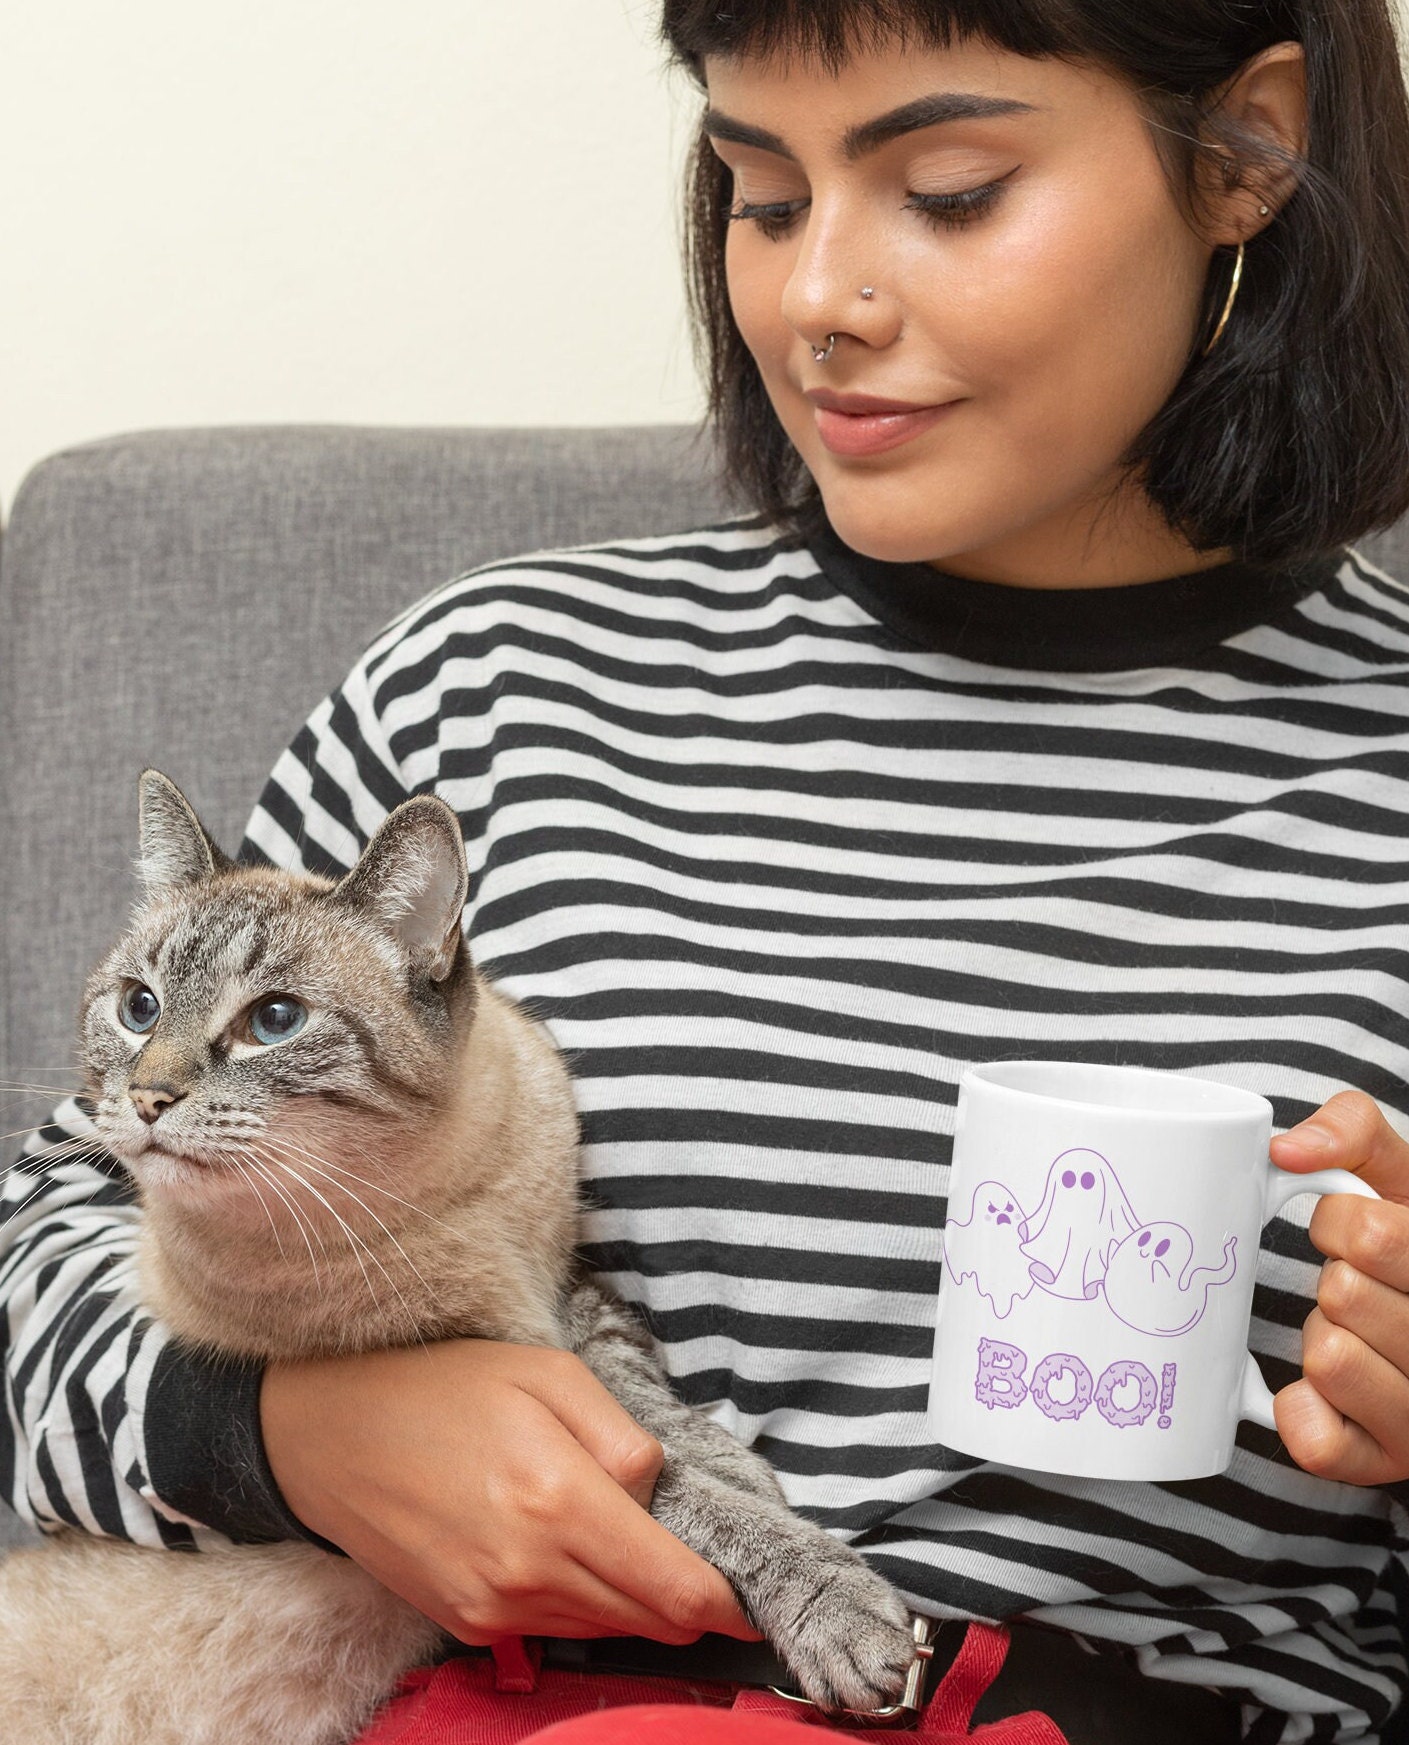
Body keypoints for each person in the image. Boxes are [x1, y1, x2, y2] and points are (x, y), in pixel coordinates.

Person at [6, 0, 1409, 1739]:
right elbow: (53, 1232)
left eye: (951, 191)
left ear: (1243, 156)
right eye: (758, 194)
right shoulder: (498, 687)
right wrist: (285, 1437)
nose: (817, 299)